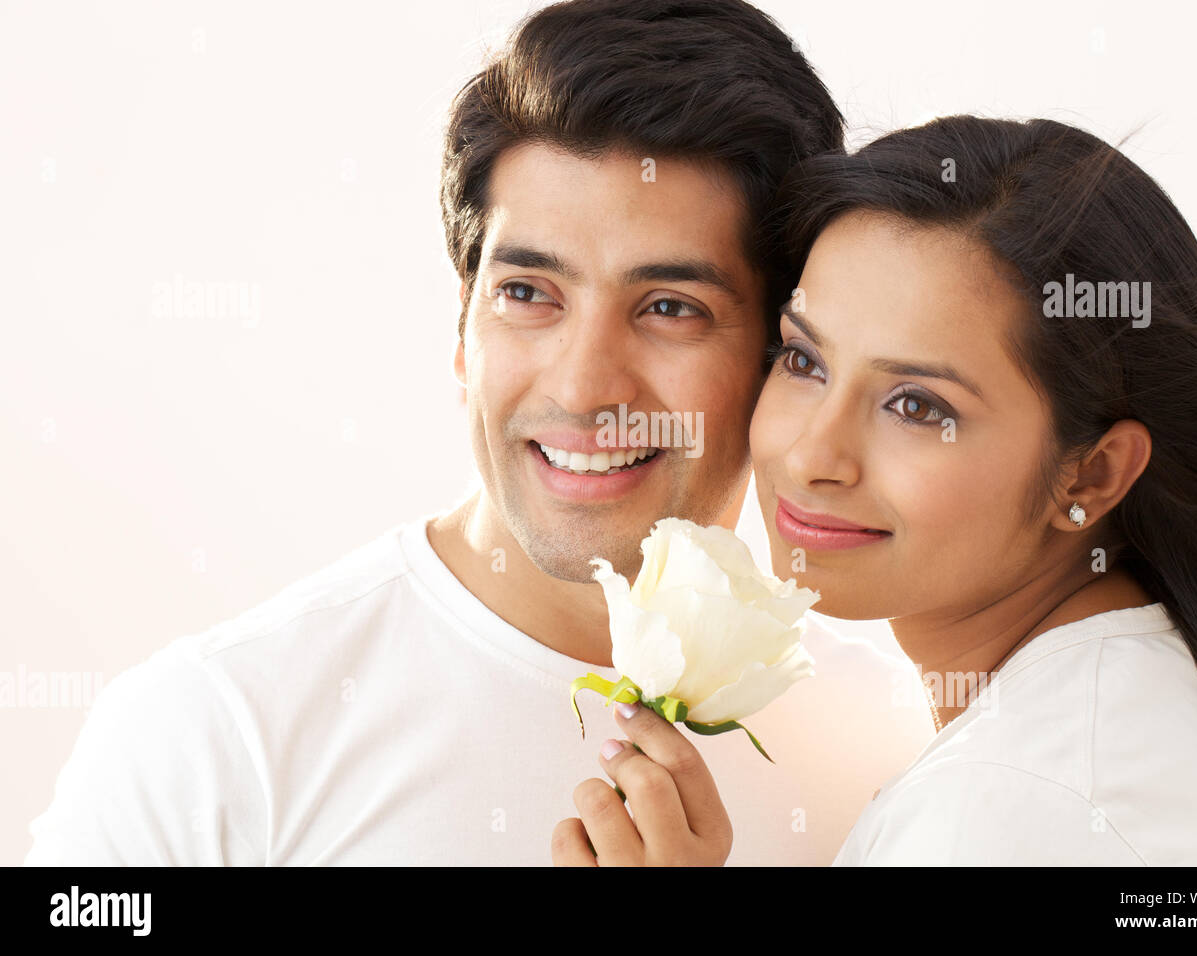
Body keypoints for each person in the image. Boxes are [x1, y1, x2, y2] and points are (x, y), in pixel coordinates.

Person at [23, 0, 937, 866]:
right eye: (528, 294)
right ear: (463, 329)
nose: (584, 388)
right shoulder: (212, 735)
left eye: (668, 307)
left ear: (783, 354)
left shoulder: (896, 748)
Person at [552, 116, 1197, 866]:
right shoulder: (1137, 716)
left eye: (917, 406)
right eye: (803, 359)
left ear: (1091, 474)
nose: (813, 455)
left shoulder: (998, 807)